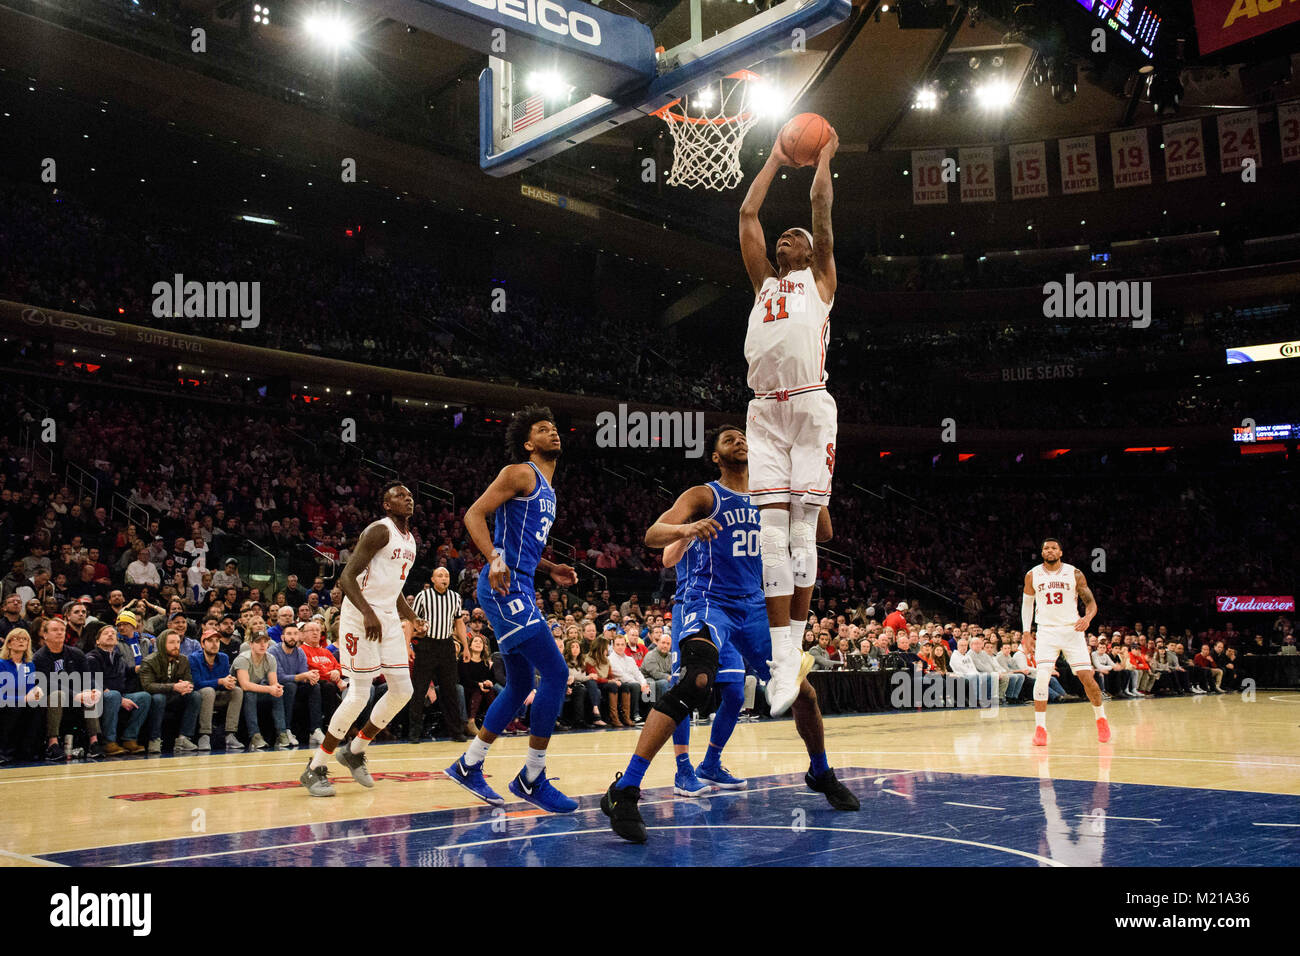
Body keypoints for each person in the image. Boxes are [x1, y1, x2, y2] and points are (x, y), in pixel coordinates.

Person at [602, 426, 857, 843]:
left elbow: (822, 533)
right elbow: (652, 535)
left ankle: (820, 771)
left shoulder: (773, 494)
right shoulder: (705, 495)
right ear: (716, 457)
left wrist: (811, 481)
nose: (738, 440)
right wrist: (686, 530)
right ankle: (626, 789)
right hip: (709, 600)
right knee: (696, 679)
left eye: (743, 436)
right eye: (728, 439)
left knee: (803, 691)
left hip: (756, 604)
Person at [735, 123, 840, 719]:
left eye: (792, 237)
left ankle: (794, 645)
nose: (783, 241)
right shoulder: (763, 285)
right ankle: (781, 661)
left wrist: (822, 154)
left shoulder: (819, 279)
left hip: (808, 403)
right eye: (782, 241)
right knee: (771, 534)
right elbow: (748, 214)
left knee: (804, 528)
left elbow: (820, 207)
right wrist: (775, 158)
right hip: (763, 410)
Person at [444, 407, 580, 813]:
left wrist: (551, 566)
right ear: (527, 443)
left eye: (555, 427)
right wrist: (493, 558)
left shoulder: (549, 491)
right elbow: (473, 514)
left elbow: (521, 544)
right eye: (542, 429)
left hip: (518, 582)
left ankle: (469, 765)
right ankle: (532, 776)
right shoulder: (520, 473)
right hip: (504, 585)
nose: (552, 432)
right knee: (556, 672)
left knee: (521, 684)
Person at [300, 483, 425, 797]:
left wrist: (410, 616)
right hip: (360, 616)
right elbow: (345, 577)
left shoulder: (411, 541)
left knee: (403, 690)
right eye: (400, 495)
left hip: (387, 616)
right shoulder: (378, 532)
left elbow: (393, 590)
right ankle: (314, 767)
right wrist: (368, 613)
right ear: (386, 504)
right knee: (358, 694)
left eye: (410, 495)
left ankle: (355, 750)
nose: (407, 498)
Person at [1022, 538, 1108, 746]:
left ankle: (1101, 719)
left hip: (1072, 630)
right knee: (1042, 676)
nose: (1049, 551)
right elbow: (1027, 606)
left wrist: (1087, 619)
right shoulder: (1032, 575)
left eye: (1053, 548)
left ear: (1061, 552)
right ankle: (1040, 729)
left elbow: (1091, 603)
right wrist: (1026, 632)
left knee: (1087, 678)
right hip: (1046, 631)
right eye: (1045, 548)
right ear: (1042, 552)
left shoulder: (1074, 573)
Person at [407, 567, 469, 744]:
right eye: (440, 575)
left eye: (447, 575)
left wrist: (465, 646)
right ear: (433, 579)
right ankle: (414, 733)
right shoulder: (423, 596)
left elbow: (459, 623)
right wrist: (408, 646)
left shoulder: (455, 597)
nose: (444, 578)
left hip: (446, 645)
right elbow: (412, 621)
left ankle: (456, 731)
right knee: (419, 690)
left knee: (451, 689)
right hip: (427, 645)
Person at [33, 617, 105, 759]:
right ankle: (52, 744)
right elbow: (46, 683)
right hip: (48, 698)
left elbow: (87, 677)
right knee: (57, 694)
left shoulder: (76, 653)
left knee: (88, 694)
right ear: (45, 635)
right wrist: (75, 695)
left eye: (62, 630)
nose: (59, 633)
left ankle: (94, 742)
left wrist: (94, 690)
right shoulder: (39, 657)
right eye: (55, 630)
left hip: (74, 697)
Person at [86, 626, 151, 755]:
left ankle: (129, 738)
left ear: (116, 640)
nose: (110, 635)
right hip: (100, 696)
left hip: (119, 695)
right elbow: (92, 681)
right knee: (114, 695)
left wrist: (139, 668)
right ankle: (109, 742)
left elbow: (128, 671)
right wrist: (120, 699)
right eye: (106, 633)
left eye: (113, 634)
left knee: (144, 697)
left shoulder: (118, 657)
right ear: (97, 641)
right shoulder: (92, 658)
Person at [138, 628, 202, 754]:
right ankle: (154, 739)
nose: (176, 646)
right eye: (172, 642)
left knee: (195, 696)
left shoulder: (183, 660)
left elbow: (189, 680)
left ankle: (183, 738)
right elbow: (148, 686)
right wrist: (174, 687)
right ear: (162, 644)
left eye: (178, 642)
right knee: (159, 698)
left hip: (175, 696)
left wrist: (186, 686)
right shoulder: (149, 661)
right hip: (154, 698)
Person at [188, 627, 242, 750]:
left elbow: (224, 679)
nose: (214, 644)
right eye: (210, 641)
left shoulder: (223, 657)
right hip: (201, 696)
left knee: (237, 691)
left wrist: (229, 682)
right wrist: (220, 681)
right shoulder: (193, 658)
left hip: (218, 694)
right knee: (208, 691)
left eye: (217, 641)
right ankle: (205, 735)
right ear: (202, 643)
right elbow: (196, 684)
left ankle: (230, 735)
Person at [234, 630, 287, 750]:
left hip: (257, 689)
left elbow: (273, 683)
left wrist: (278, 689)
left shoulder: (270, 658)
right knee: (250, 694)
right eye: (258, 642)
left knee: (277, 695)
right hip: (237, 694)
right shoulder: (243, 659)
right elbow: (245, 685)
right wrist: (270, 688)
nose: (262, 645)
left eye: (265, 641)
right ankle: (255, 736)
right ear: (251, 644)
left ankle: (282, 733)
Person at [0, 628, 45, 763]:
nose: (21, 641)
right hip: (5, 703)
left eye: (24, 639)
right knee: (14, 708)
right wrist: (23, 699)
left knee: (38, 707)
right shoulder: (1, 664)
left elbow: (30, 689)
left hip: (21, 703)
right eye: (17, 638)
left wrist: (36, 692)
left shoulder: (29, 665)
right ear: (8, 644)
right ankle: (4, 751)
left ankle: (27, 751)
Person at [459, 634, 496, 732]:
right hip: (467, 688)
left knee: (490, 691)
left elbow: (492, 678)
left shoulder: (486, 663)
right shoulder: (464, 660)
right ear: (470, 645)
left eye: (481, 642)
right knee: (478, 691)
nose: (478, 643)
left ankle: (493, 721)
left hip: (480, 688)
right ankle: (471, 721)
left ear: (484, 647)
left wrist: (489, 682)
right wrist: (478, 684)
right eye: (475, 641)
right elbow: (464, 679)